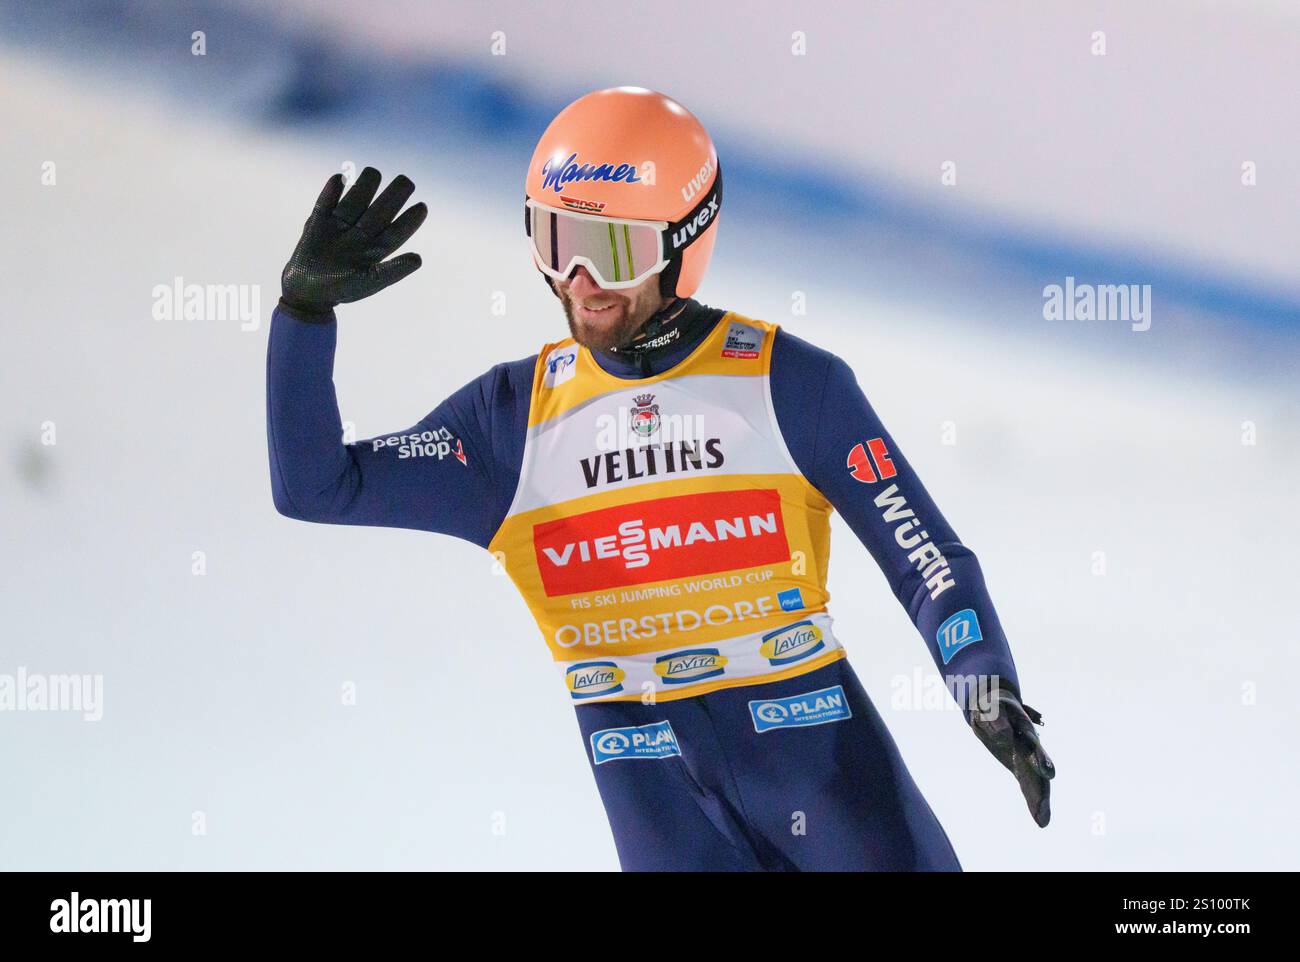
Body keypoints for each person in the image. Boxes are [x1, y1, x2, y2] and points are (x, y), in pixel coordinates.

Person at [266, 86, 1054, 871]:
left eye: (611, 251)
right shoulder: (510, 424)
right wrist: (302, 318)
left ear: (685, 242)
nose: (578, 279)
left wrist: (980, 675)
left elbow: (924, 558)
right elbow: (315, 487)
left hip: (846, 812)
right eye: (554, 240)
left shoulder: (789, 385)